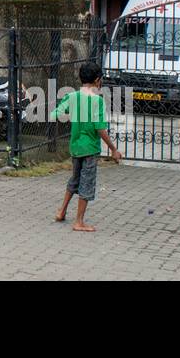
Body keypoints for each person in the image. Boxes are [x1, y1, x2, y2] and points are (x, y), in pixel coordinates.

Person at [52, 61, 123, 232]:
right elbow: (100, 128)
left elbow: (55, 114)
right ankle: (79, 222)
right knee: (87, 183)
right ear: (98, 80)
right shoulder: (97, 101)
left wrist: (75, 116)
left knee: (75, 179)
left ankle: (61, 211)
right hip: (90, 148)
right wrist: (113, 149)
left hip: (75, 146)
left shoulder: (72, 96)